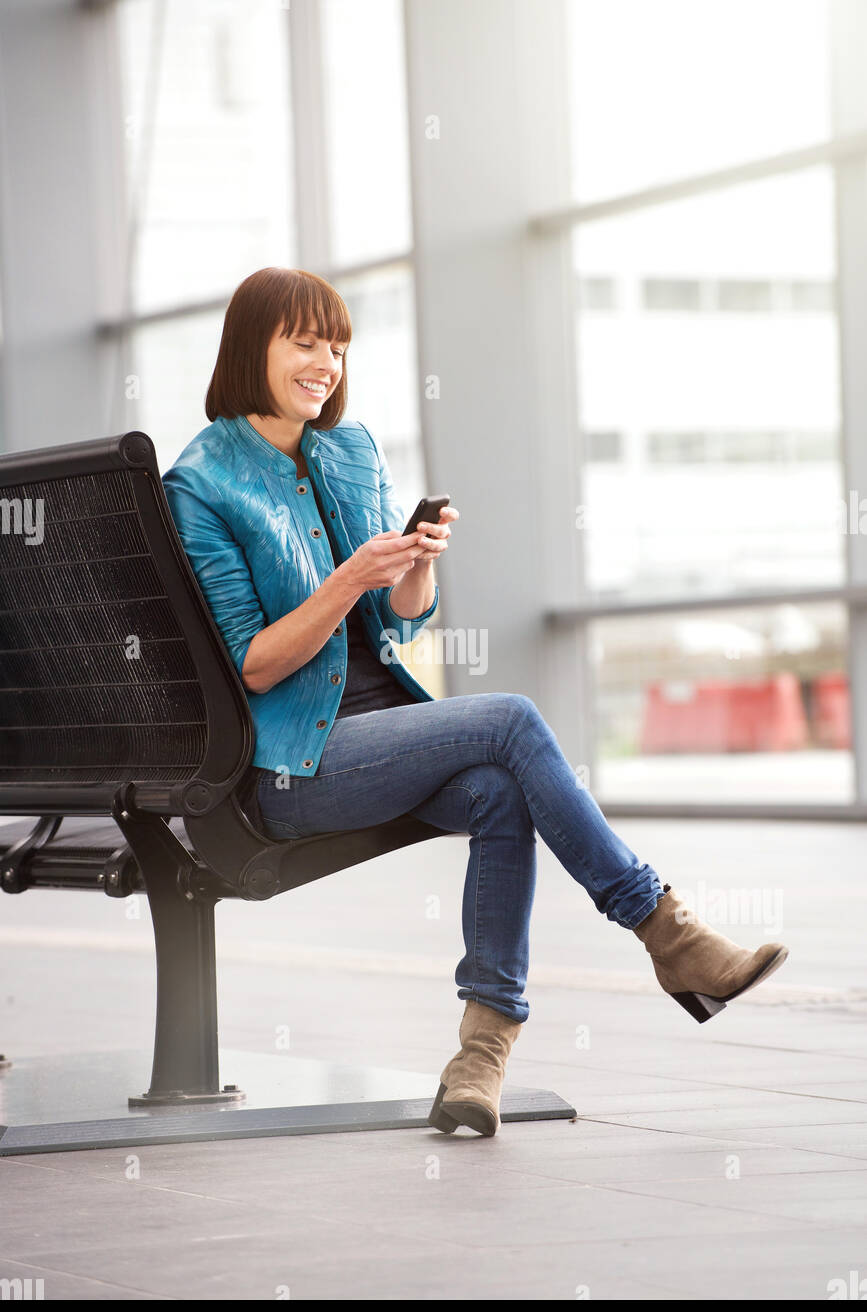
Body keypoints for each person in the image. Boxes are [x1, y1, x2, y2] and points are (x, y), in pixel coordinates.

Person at [162, 266, 789, 1139]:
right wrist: (348, 578)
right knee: (510, 719)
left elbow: (402, 616)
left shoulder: (350, 449)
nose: (325, 364)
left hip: (378, 736)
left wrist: (414, 561)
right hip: (288, 763)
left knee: (499, 792)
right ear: (250, 348)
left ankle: (480, 1053)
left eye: (337, 347)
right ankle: (665, 932)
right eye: (304, 343)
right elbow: (256, 667)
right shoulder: (201, 482)